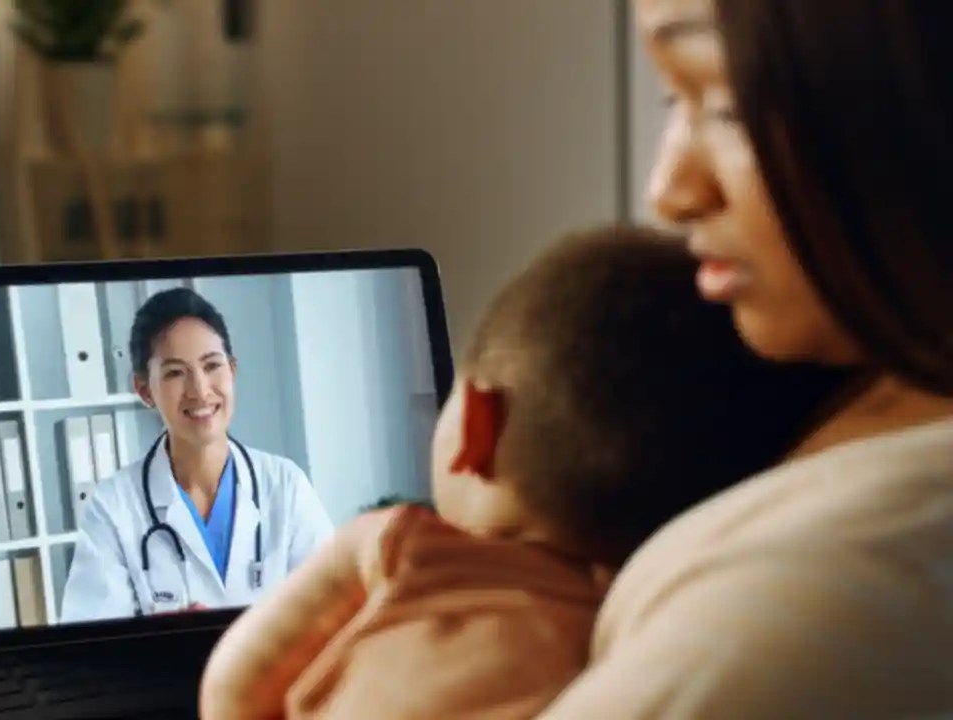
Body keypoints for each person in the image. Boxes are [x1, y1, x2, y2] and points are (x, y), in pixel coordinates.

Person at [0, 2, 953, 717]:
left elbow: (252, 664)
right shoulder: (120, 507)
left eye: (712, 99)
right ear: (143, 391)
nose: (666, 185)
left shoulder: (808, 601)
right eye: (177, 375)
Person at [197, 226, 851, 718]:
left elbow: (230, 694)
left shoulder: (401, 546)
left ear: (478, 426)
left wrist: (355, 552)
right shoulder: (640, 628)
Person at [537, 1, 953, 716]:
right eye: (674, 98)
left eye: (726, 106)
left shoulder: (820, 591)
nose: (669, 192)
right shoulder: (872, 371)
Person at [59, 287, 334, 621]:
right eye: (175, 372)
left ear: (232, 370)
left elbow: (335, 619)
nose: (200, 390)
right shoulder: (113, 507)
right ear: (145, 390)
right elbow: (89, 650)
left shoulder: (286, 487)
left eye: (212, 365)